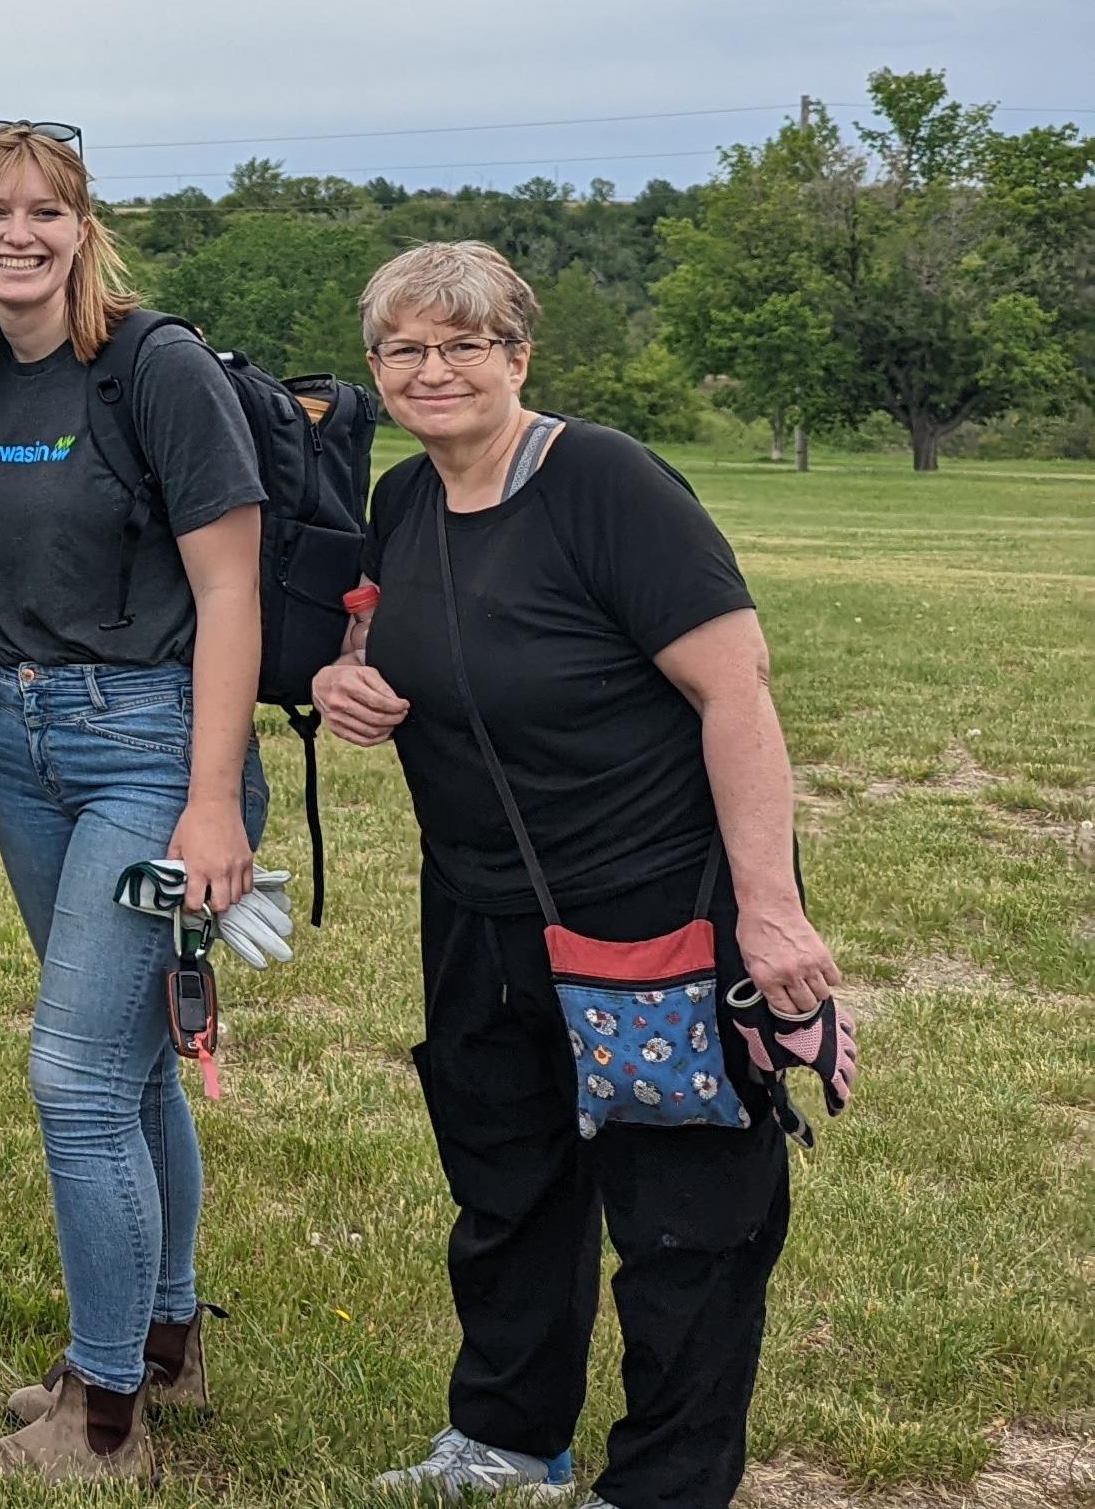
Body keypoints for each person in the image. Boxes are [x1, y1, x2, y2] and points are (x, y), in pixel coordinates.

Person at [314, 243, 836, 1509]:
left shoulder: (603, 482)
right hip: (480, 909)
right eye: (404, 350)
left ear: (518, 354)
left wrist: (767, 911)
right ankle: (505, 1437)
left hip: (650, 908)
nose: (432, 370)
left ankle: (661, 1485)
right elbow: (383, 628)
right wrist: (344, 676)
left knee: (681, 1223)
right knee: (505, 1187)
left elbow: (737, 690)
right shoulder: (406, 499)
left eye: (463, 344)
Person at [0, 123, 272, 1481]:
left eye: (46, 210)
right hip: (18, 736)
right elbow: (7, 555)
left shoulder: (155, 366)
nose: (19, 232)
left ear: (84, 225)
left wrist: (212, 804)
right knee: (123, 1065)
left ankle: (106, 1414)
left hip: (151, 747)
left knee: (71, 1077)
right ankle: (165, 1339)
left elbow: (233, 589)